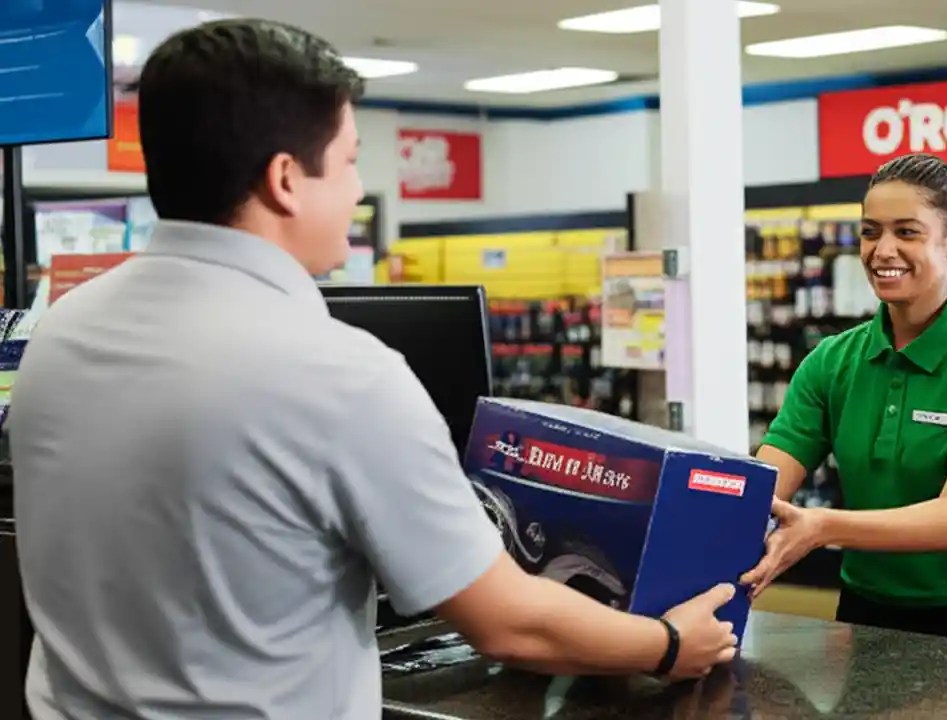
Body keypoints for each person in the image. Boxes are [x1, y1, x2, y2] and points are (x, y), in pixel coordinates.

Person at [10, 19, 737, 720]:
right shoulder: (334, 373)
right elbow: (509, 622)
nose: (359, 191)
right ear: (286, 179)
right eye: (351, 159)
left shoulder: (62, 332)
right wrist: (672, 644)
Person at [740, 153, 947, 650]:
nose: (883, 250)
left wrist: (821, 527)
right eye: (870, 232)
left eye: (907, 232)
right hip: (863, 616)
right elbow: (765, 486)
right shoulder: (832, 361)